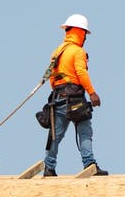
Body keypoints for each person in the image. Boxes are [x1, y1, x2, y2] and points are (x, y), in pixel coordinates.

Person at [43, 14, 108, 176]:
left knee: (55, 134)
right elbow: (81, 73)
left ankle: (49, 168)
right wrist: (92, 93)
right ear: (80, 32)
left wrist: (58, 89)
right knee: (84, 130)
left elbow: (51, 77)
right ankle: (89, 164)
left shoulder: (57, 51)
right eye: (85, 33)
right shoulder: (77, 51)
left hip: (58, 96)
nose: (86, 37)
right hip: (74, 97)